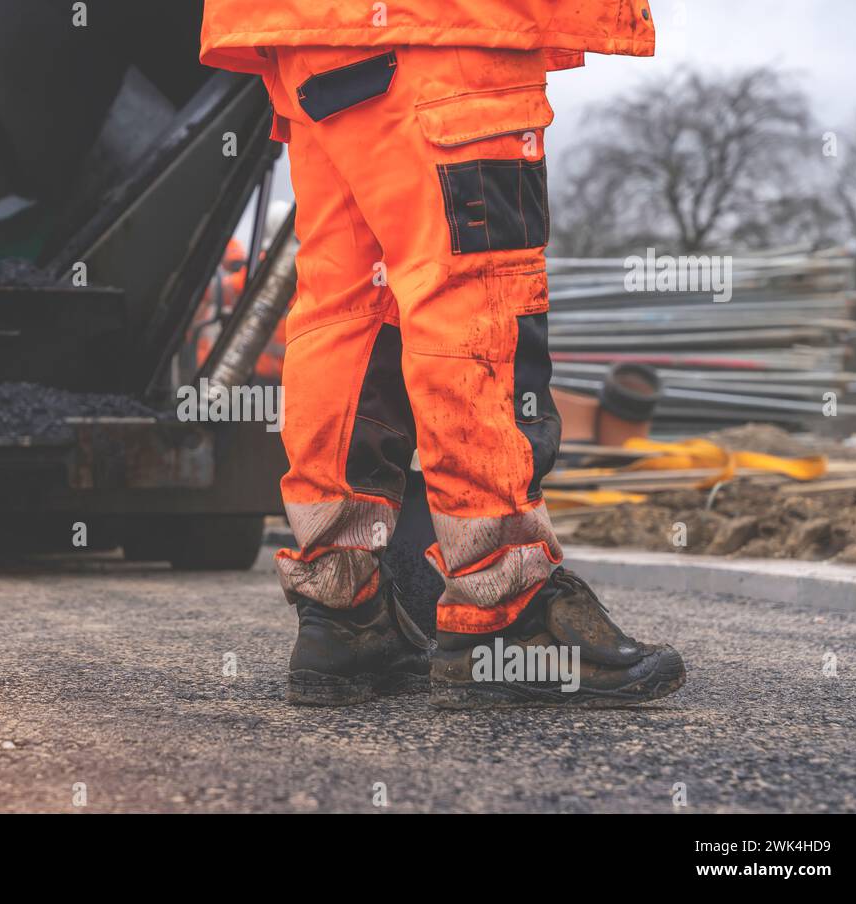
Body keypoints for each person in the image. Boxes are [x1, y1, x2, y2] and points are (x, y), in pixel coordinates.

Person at [199, 1, 687, 707]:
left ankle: (343, 609)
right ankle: (507, 612)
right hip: (441, 24)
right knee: (478, 285)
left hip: (313, 32)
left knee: (351, 307)